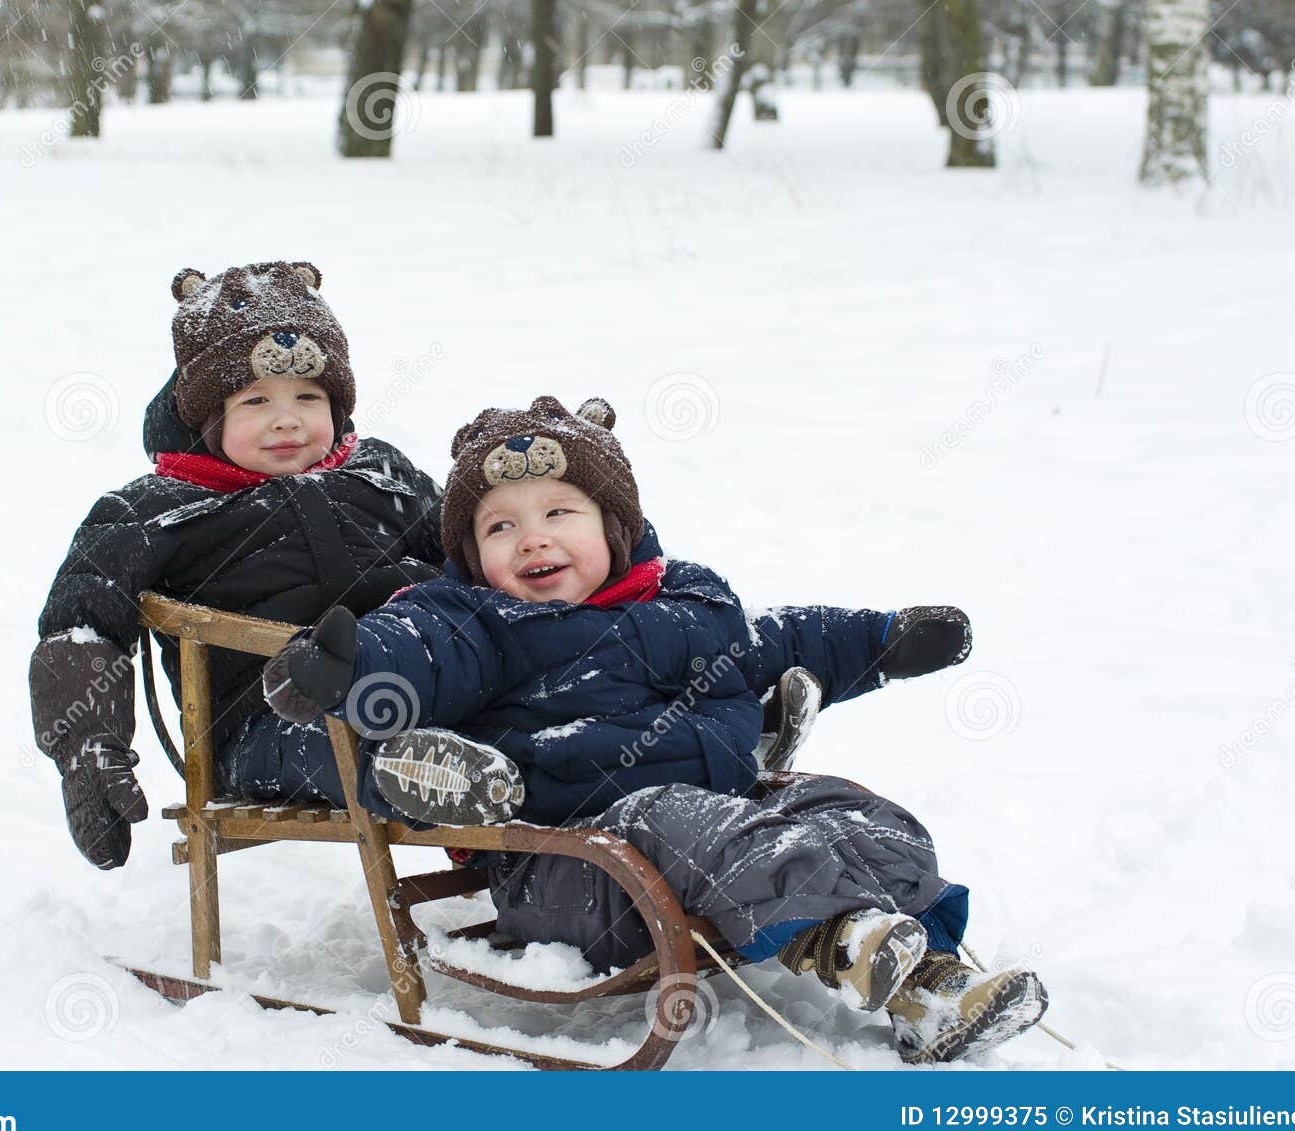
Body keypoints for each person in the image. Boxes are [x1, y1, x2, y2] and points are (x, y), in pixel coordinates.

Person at [263, 394, 1047, 1063]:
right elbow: (417, 652)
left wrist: (880, 641)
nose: (532, 537)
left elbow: (775, 642)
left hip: (710, 831)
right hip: (575, 870)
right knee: (676, 814)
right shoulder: (476, 623)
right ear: (470, 555)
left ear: (617, 526)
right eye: (499, 527)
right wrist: (346, 664)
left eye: (558, 512)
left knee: (846, 806)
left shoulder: (686, 605)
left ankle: (931, 983)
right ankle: (835, 938)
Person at [28, 261, 443, 871]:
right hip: (268, 725)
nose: (287, 418)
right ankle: (438, 775)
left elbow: (469, 558)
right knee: (364, 743)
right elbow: (80, 624)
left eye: (309, 396)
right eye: (255, 401)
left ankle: (558, 882)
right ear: (206, 415)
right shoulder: (155, 510)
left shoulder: (381, 472)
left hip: (426, 683)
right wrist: (90, 752)